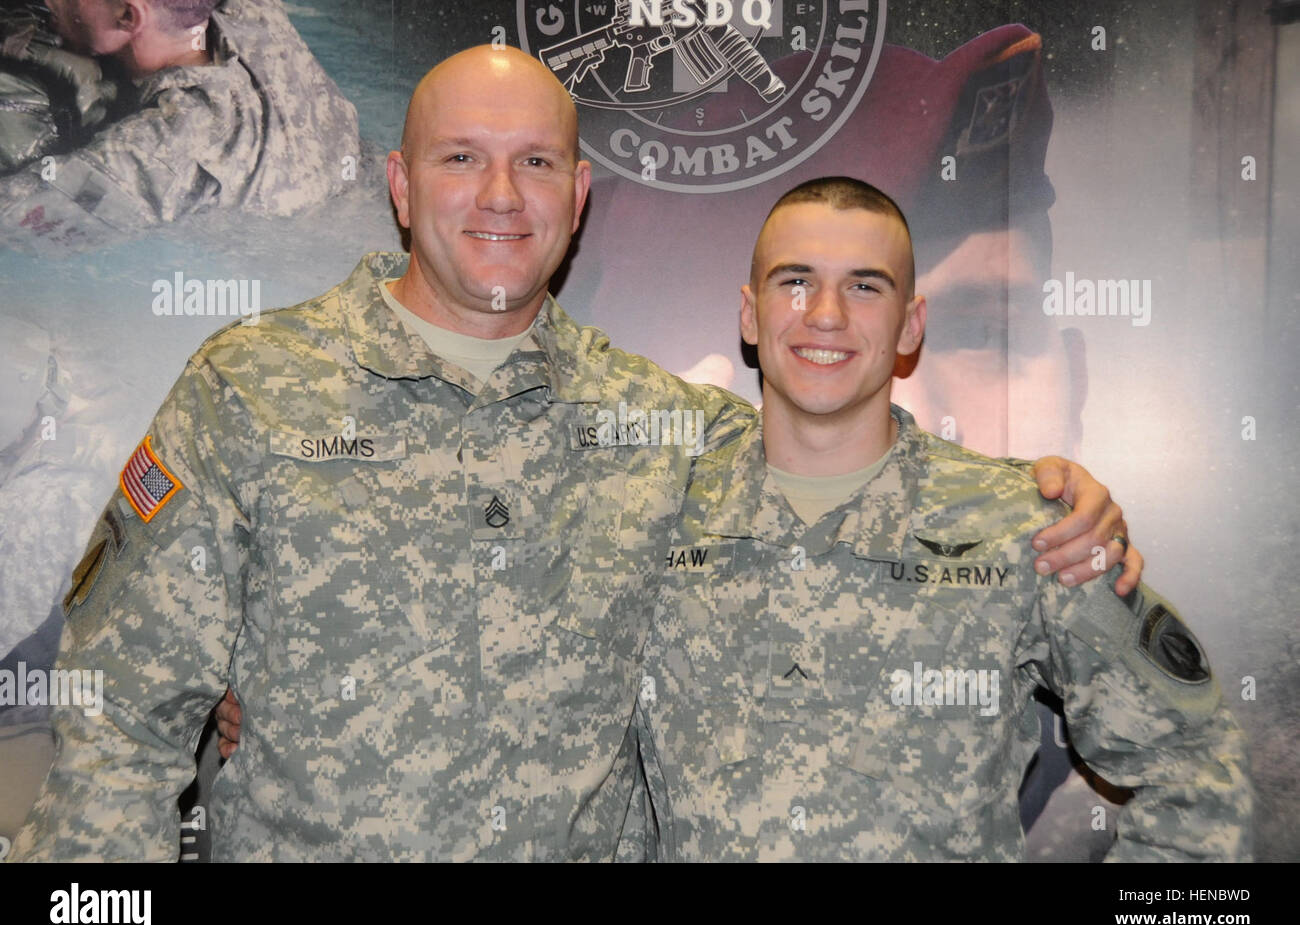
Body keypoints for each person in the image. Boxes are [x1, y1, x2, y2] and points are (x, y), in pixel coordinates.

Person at [11, 47, 1132, 862]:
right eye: (461, 158)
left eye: (537, 164)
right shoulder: (246, 390)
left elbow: (859, 469)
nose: (501, 198)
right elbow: (121, 720)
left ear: (577, 196)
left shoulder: (668, 427)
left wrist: (1047, 499)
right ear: (400, 187)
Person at [625, 177, 1252, 861]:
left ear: (910, 325)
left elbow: (1197, 769)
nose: (827, 313)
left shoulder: (1022, 527)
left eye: (865, 286)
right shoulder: (652, 517)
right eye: (795, 282)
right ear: (750, 315)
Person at [0, 0, 359, 250]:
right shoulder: (253, 11)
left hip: (297, 254)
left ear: (128, 16)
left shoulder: (161, 151)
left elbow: (16, 221)